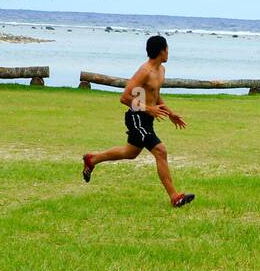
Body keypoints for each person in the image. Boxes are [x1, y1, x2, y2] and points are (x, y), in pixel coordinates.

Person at [82, 35, 195, 207]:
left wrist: (170, 113)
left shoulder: (161, 70)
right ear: (161, 51)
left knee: (130, 153)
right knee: (160, 151)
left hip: (147, 119)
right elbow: (125, 97)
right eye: (167, 49)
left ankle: (92, 159)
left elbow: (155, 96)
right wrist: (150, 109)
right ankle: (175, 197)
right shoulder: (145, 71)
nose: (168, 52)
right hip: (136, 117)